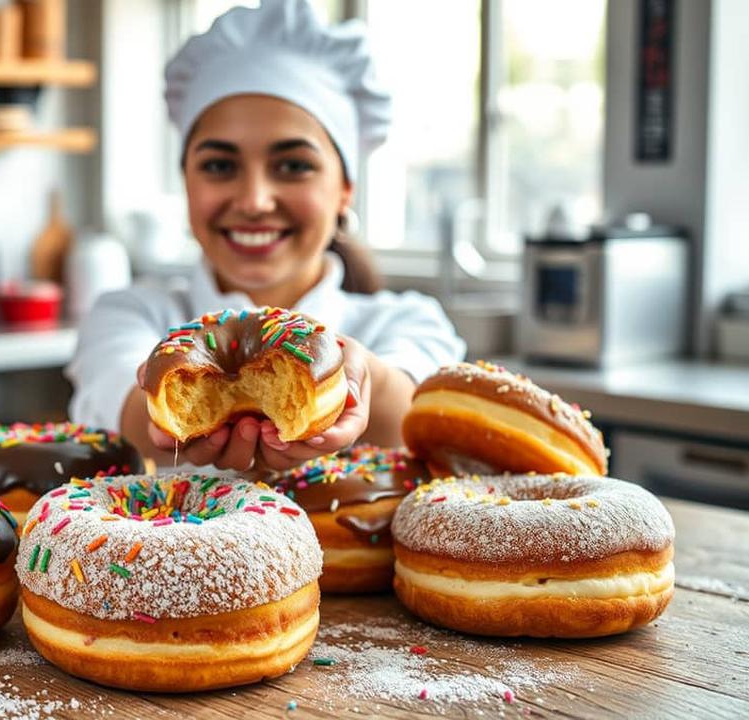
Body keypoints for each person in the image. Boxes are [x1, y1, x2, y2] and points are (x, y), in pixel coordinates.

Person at [66, 0, 465, 473]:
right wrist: (172, 407)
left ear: (344, 190)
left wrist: (350, 375)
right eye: (219, 165)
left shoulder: (408, 323)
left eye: (293, 165)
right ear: (187, 182)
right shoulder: (129, 314)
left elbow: (413, 419)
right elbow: (130, 414)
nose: (255, 199)